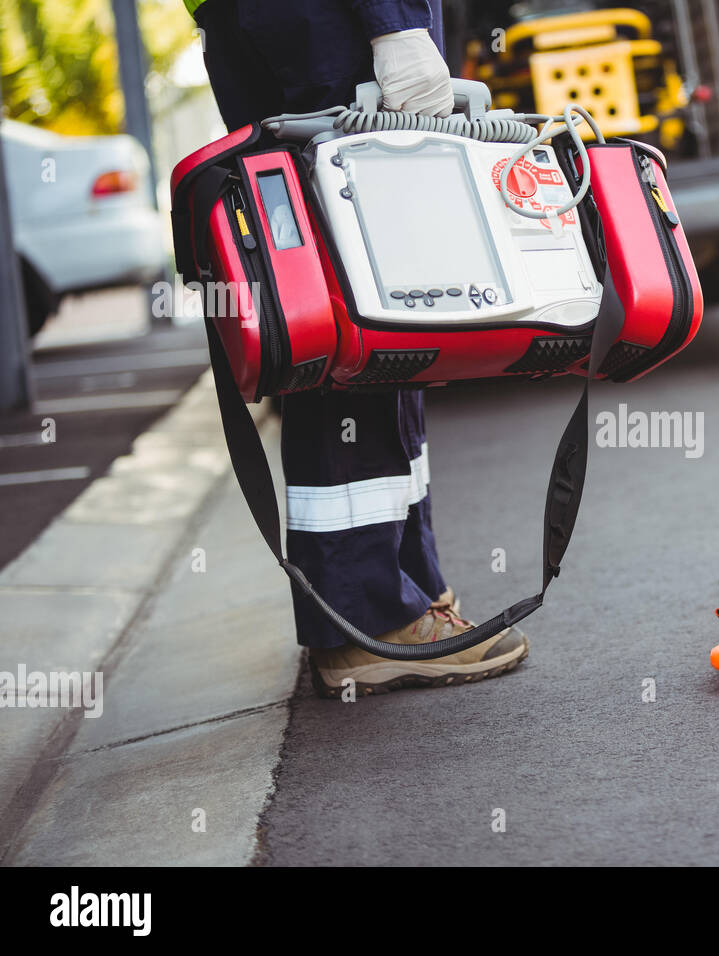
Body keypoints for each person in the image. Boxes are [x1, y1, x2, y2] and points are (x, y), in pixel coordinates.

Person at [186, 0, 528, 696]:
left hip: (259, 20)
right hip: (328, 24)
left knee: (360, 311)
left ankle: (400, 592)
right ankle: (369, 621)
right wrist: (395, 21)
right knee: (367, 304)